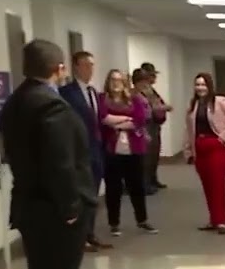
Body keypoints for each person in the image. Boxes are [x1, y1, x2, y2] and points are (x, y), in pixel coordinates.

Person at [0, 39, 95, 269]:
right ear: (59, 69)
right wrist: (70, 208)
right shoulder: (49, 105)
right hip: (52, 212)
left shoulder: (15, 101)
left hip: (30, 205)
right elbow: (59, 163)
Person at [58, 51, 112, 252]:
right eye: (86, 65)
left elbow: (98, 120)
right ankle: (79, 238)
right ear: (76, 67)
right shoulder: (66, 93)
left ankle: (90, 234)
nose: (90, 69)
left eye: (92, 65)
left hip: (96, 150)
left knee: (93, 196)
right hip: (78, 152)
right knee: (81, 195)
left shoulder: (94, 93)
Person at [98, 68, 158, 237]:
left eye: (120, 79)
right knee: (113, 187)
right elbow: (103, 118)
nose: (116, 83)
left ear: (125, 82)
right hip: (111, 150)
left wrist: (115, 122)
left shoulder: (134, 100)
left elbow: (139, 120)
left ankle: (142, 220)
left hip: (133, 149)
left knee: (136, 186)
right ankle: (114, 223)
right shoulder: (102, 99)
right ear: (108, 82)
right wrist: (125, 119)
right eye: (113, 80)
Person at [184, 72, 225, 234]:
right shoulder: (192, 105)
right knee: (207, 185)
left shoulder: (219, 101)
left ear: (209, 86)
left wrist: (224, 137)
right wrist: (188, 151)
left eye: (203, 85)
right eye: (197, 85)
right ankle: (213, 219)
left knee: (217, 184)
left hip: (216, 146)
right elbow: (188, 130)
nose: (200, 88)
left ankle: (221, 221)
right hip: (199, 147)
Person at [137, 63, 173, 193]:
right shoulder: (141, 91)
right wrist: (165, 107)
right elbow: (150, 107)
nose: (154, 78)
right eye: (152, 75)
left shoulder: (151, 90)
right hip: (147, 125)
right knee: (147, 156)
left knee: (154, 155)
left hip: (154, 125)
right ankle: (145, 183)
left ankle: (152, 179)